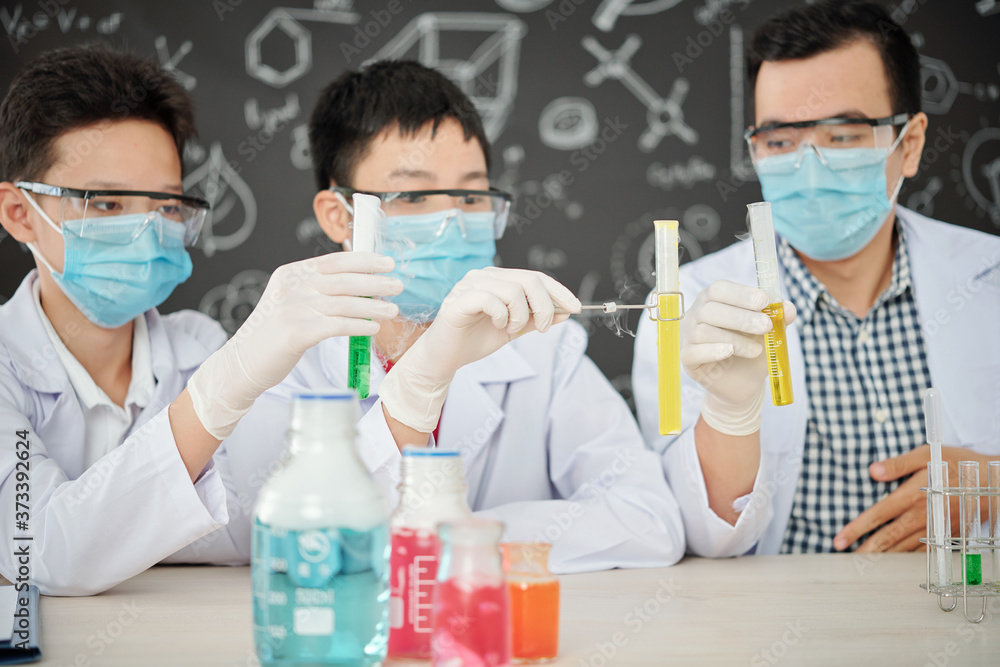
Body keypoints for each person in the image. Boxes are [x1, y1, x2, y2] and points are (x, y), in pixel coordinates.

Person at [0, 44, 403, 595]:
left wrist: (422, 379)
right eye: (107, 204)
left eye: (166, 206)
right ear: (20, 213)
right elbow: (45, 553)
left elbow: (282, 520)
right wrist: (220, 391)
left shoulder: (198, 345)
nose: (146, 228)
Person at [266, 59, 685, 573]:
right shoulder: (289, 360)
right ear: (340, 216)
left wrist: (462, 540)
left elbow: (650, 522)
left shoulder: (544, 348)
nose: (452, 222)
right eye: (414, 196)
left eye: (470, 196)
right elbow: (293, 542)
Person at [633, 0, 1000, 557]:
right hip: (781, 629)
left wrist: (991, 486)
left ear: (911, 145)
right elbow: (702, 536)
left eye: (844, 134)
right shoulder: (686, 307)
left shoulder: (988, 277)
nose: (808, 164)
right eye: (780, 141)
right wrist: (731, 412)